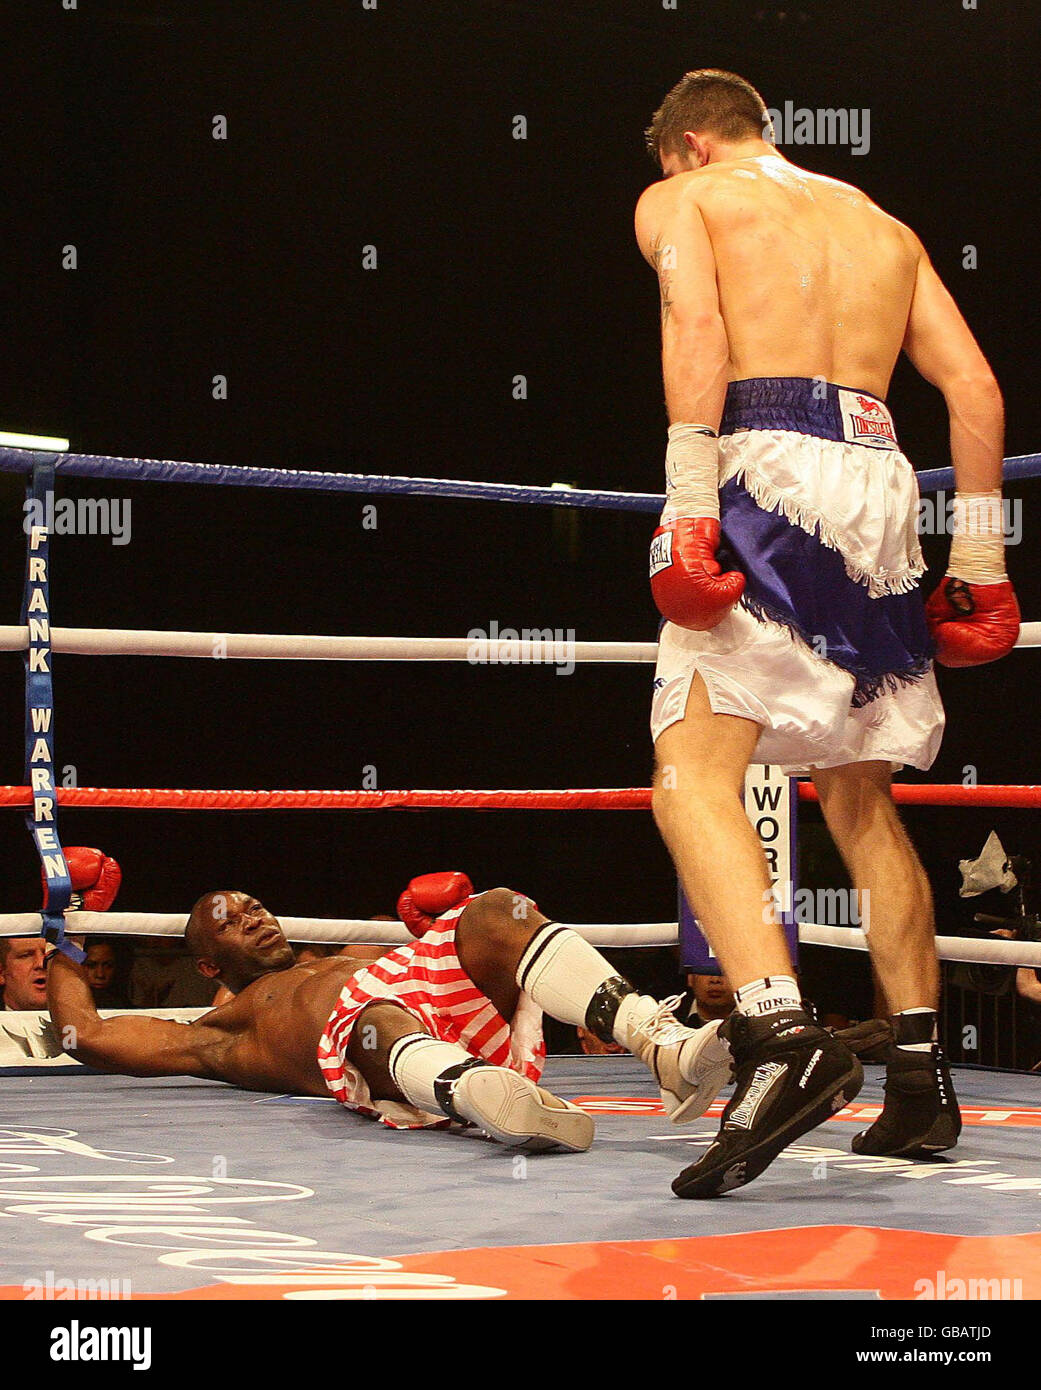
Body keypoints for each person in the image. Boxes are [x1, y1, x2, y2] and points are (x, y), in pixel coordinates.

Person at [637, 70, 1020, 1197]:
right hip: (887, 484)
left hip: (768, 467)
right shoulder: (880, 225)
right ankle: (917, 1076)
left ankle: (777, 1035)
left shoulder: (687, 200)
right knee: (859, 792)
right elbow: (980, 391)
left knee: (689, 770)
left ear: (688, 145)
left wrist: (688, 502)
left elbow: (700, 328)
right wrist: (983, 560)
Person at [47, 874, 735, 1147]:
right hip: (383, 1044)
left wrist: (434, 931)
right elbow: (91, 1036)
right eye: (230, 921)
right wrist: (66, 933)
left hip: (425, 1009)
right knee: (366, 1012)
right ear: (207, 964)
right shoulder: (224, 1030)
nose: (254, 917)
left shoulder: (343, 958)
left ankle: (661, 1045)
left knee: (497, 909)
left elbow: (431, 968)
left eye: (256, 906)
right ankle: (483, 1097)